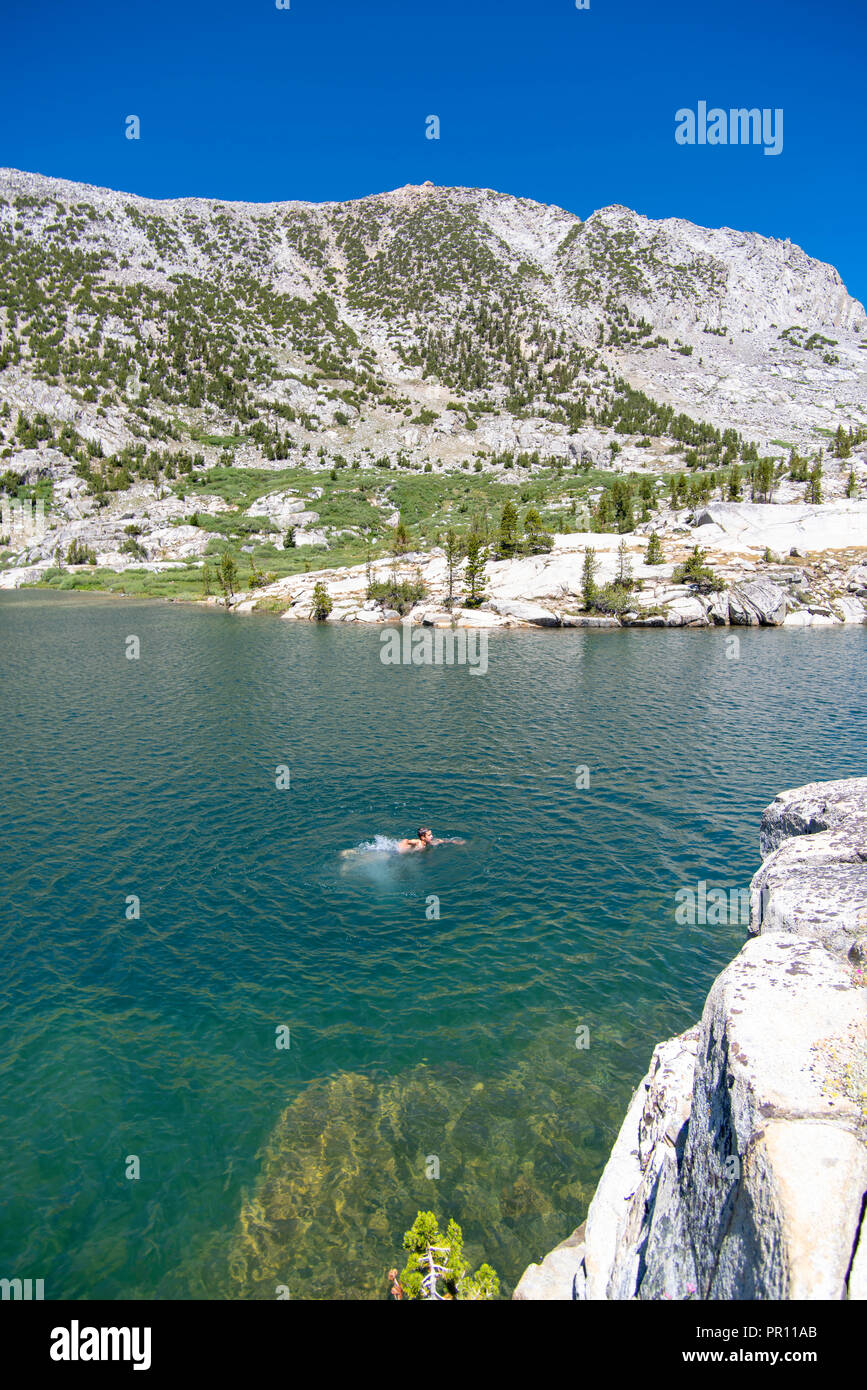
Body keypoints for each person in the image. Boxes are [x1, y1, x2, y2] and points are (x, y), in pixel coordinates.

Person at [397, 827, 465, 853]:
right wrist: (400, 849)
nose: (432, 836)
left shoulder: (432, 842)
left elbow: (443, 840)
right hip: (395, 853)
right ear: (423, 837)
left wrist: (454, 841)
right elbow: (405, 840)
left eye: (431, 834)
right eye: (429, 835)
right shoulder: (417, 842)